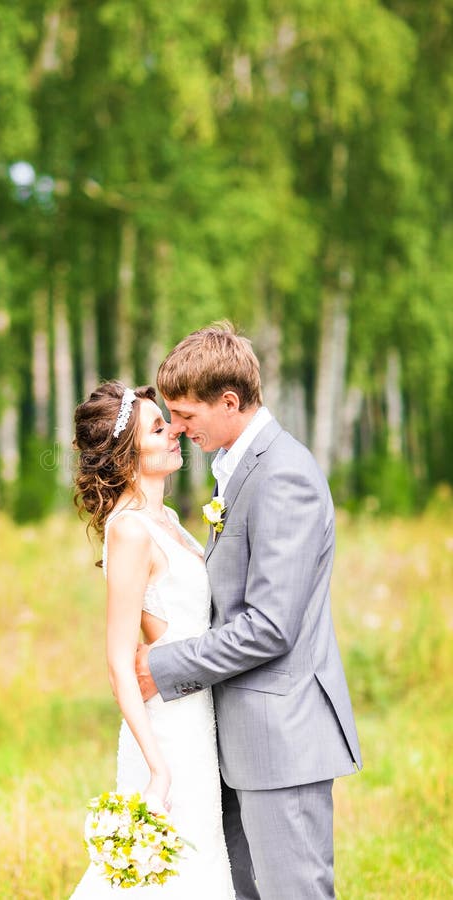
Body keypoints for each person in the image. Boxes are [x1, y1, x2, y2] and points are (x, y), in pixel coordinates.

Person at [136, 323, 362, 900]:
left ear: (230, 402)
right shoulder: (239, 467)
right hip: (241, 738)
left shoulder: (283, 474)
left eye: (185, 414)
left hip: (282, 739)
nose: (177, 428)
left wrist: (162, 665)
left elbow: (270, 627)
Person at [69, 380, 235, 899]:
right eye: (158, 429)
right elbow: (119, 663)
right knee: (168, 871)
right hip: (168, 731)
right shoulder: (130, 531)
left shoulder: (167, 520)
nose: (174, 432)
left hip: (198, 717)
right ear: (126, 456)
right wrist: (158, 769)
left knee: (199, 865)